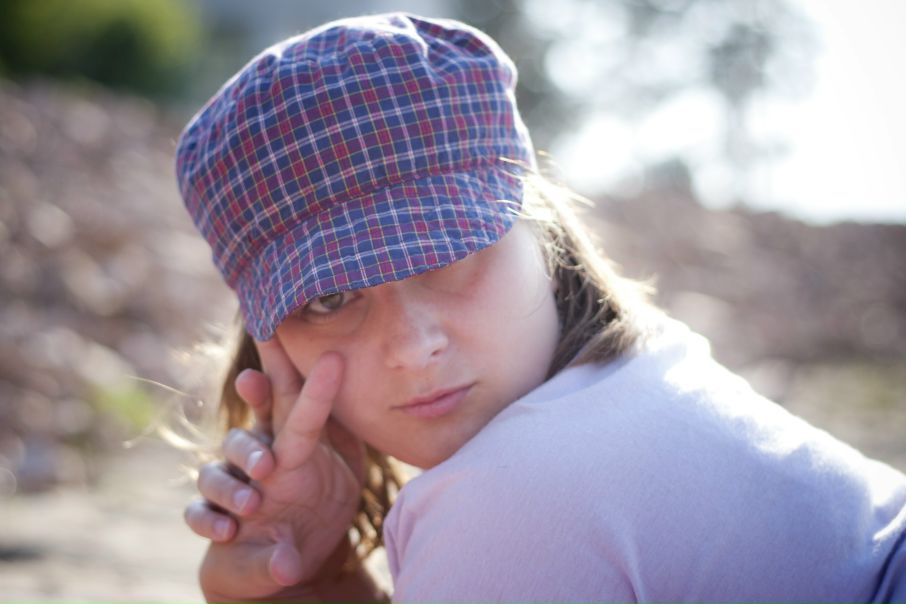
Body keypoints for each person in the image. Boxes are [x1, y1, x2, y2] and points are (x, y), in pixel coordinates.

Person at [174, 13, 906, 604]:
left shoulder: (512, 497)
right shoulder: (647, 374)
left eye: (447, 252)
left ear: (543, 231)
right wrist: (320, 582)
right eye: (329, 298)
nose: (413, 345)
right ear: (269, 344)